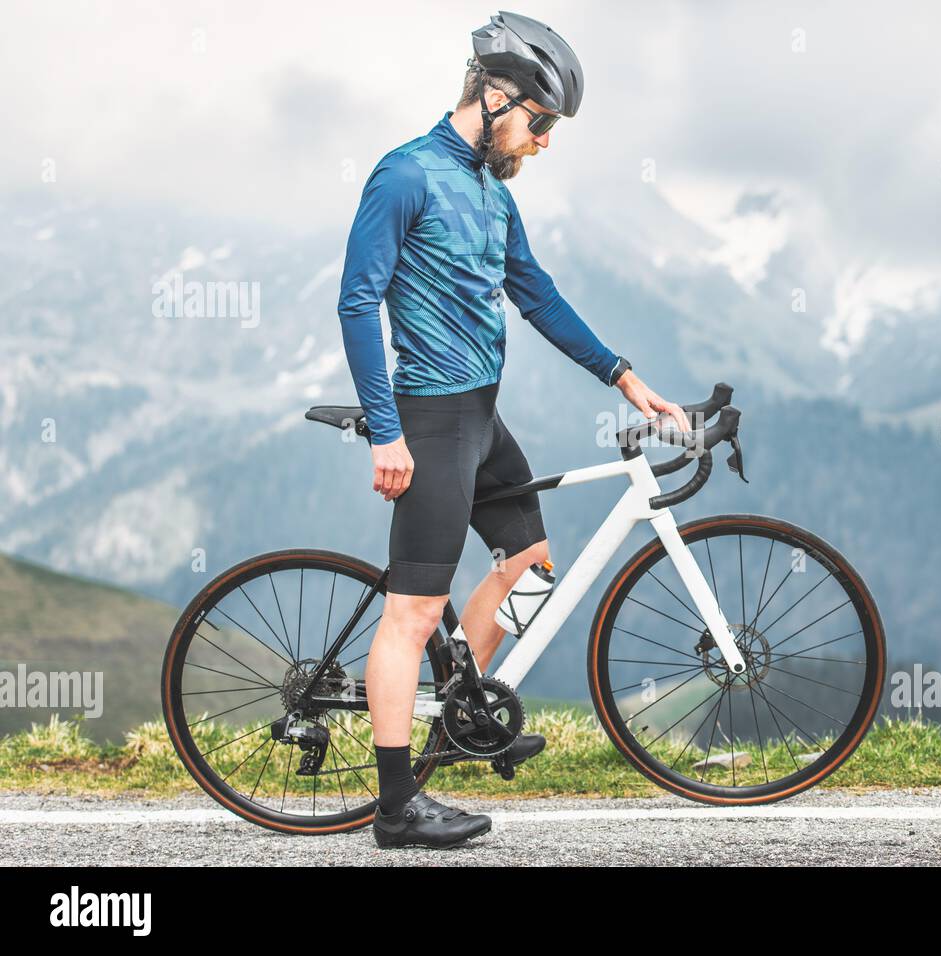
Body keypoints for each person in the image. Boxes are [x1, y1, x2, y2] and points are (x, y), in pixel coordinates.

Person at [336, 11, 688, 849]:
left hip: (481, 420)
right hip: (428, 421)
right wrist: (388, 433)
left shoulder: (493, 194)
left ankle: (459, 716)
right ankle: (395, 809)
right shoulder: (405, 175)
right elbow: (357, 299)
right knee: (412, 616)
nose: (542, 142)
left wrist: (622, 374)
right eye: (539, 124)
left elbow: (537, 293)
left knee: (531, 567)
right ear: (495, 97)